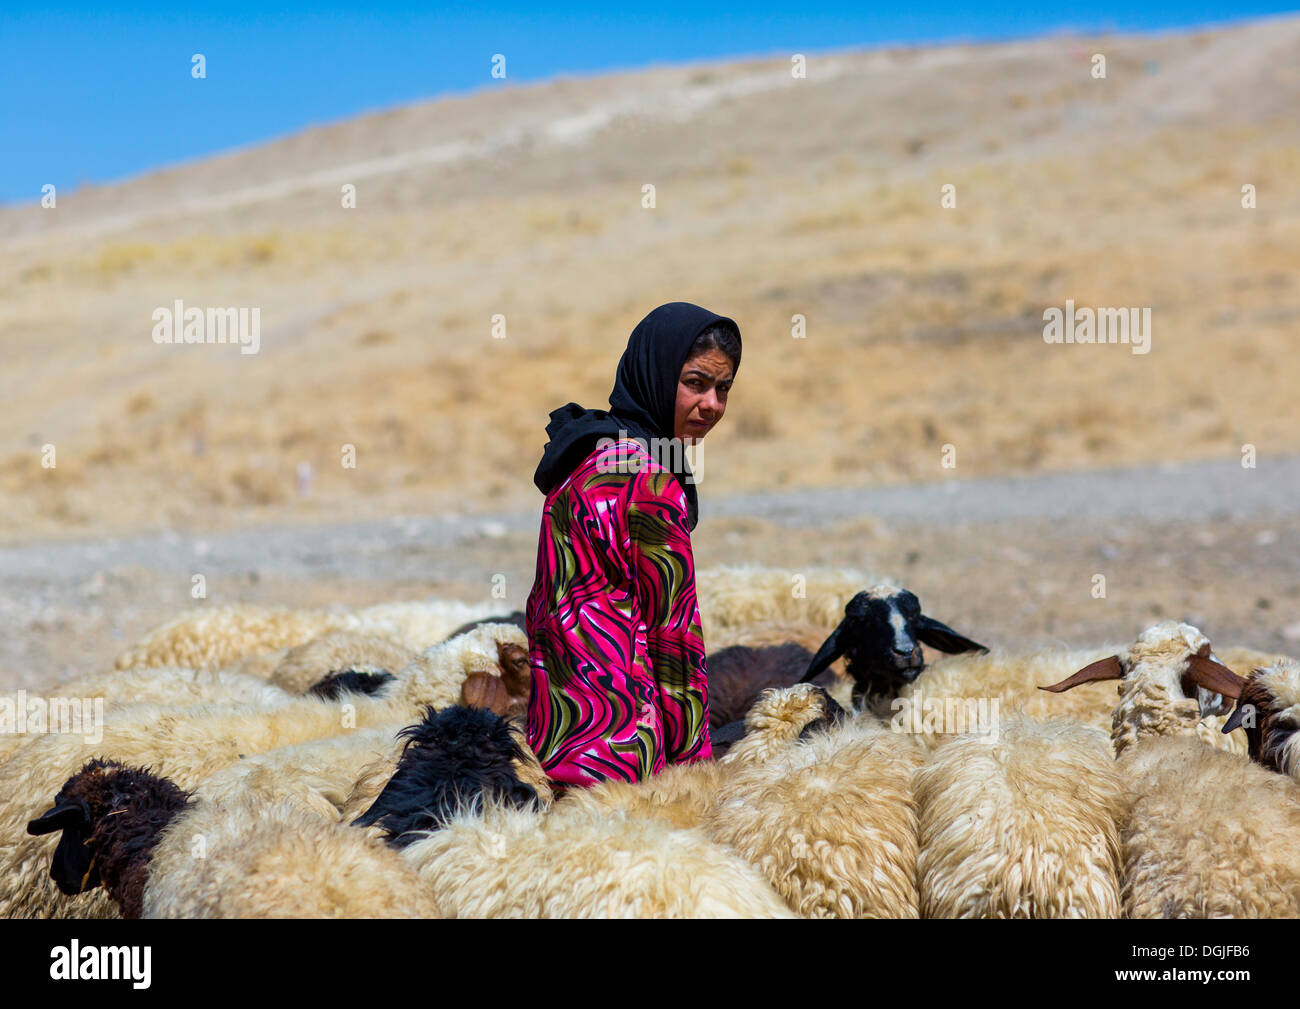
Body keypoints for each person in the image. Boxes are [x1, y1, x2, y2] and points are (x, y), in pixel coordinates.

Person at [526, 302, 741, 791]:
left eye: (723, 389)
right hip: (626, 758)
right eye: (695, 382)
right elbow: (675, 637)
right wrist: (695, 772)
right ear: (658, 375)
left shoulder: (586, 455)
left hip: (554, 742)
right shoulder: (650, 482)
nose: (712, 404)